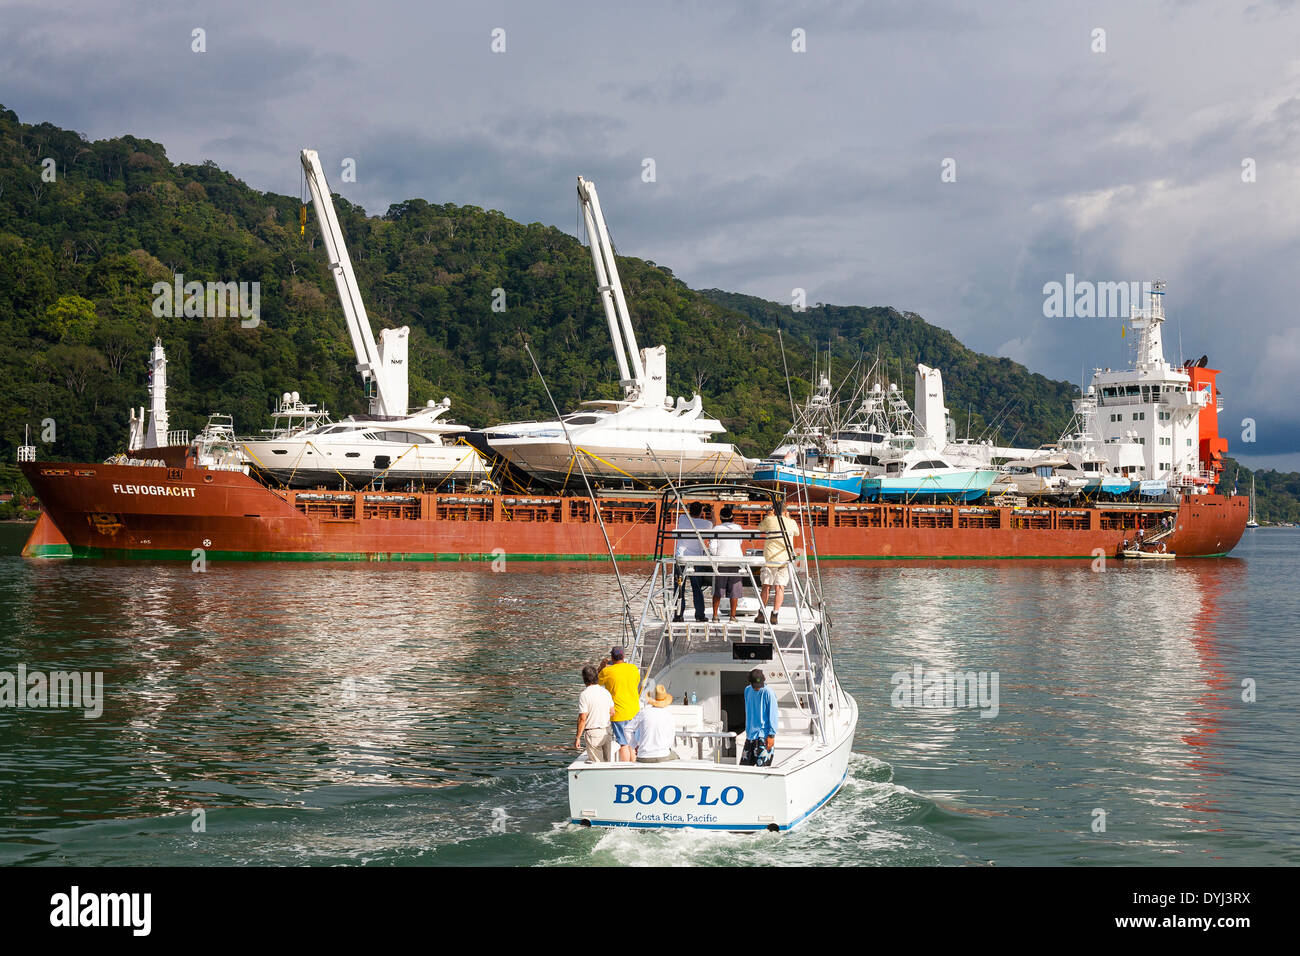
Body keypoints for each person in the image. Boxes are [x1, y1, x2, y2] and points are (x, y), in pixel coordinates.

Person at [754, 499, 798, 624]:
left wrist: (768, 516)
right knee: (780, 587)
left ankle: (761, 614)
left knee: (766, 586)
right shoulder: (791, 522)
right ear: (785, 511)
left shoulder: (769, 520)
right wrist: (788, 518)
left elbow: (760, 528)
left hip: (770, 559)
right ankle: (775, 615)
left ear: (773, 510)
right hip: (784, 559)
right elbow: (797, 533)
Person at [597, 646, 641, 762]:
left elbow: (596, 681)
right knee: (633, 744)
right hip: (634, 712)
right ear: (624, 656)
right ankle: (635, 770)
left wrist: (602, 666)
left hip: (618, 713)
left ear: (612, 657)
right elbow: (636, 682)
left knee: (623, 744)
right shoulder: (633, 669)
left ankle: (626, 772)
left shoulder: (607, 671)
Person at [673, 501, 713, 622]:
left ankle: (678, 615)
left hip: (681, 558)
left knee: (679, 588)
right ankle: (700, 615)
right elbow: (713, 525)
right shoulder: (707, 524)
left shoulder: (682, 518)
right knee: (697, 588)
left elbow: (686, 513)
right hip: (696, 560)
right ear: (701, 512)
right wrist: (712, 513)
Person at [709, 504, 745, 622]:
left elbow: (712, 547)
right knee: (735, 591)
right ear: (732, 517)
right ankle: (732, 616)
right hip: (736, 562)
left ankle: (715, 615)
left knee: (718, 590)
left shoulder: (716, 529)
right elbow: (739, 542)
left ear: (720, 517)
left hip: (722, 562)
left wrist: (717, 556)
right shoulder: (738, 528)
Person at [575, 664, 615, 763]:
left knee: (597, 765)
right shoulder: (605, 692)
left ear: (584, 679)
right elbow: (612, 712)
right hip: (607, 731)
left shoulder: (584, 695)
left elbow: (582, 718)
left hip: (593, 733)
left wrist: (578, 737)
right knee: (607, 763)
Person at [631, 684, 679, 763]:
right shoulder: (669, 715)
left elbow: (628, 729)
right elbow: (670, 741)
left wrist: (634, 746)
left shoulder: (643, 712)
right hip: (662, 755)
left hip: (643, 756)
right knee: (676, 756)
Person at [740, 668, 778, 767]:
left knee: (762, 768)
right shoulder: (747, 690)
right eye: (755, 686)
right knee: (744, 768)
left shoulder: (768, 692)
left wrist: (771, 735)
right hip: (750, 736)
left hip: (763, 737)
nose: (757, 688)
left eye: (759, 685)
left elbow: (773, 714)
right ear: (750, 682)